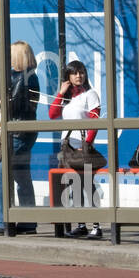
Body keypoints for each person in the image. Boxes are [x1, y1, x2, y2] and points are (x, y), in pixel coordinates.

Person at [50, 59, 104, 239]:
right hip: (67, 146)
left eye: (81, 72)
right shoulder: (67, 97)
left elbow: (94, 121)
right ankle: (81, 224)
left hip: (82, 146)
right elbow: (52, 115)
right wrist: (60, 93)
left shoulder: (90, 94)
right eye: (74, 73)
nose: (78, 76)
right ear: (68, 76)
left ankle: (96, 226)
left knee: (88, 185)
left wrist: (86, 144)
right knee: (75, 186)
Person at [0, 41, 39, 235]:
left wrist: (2, 101)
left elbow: (15, 104)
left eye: (11, 55)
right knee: (22, 176)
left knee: (0, 175)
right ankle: (28, 222)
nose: (8, 59)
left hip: (19, 132)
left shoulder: (23, 77)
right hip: (23, 132)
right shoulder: (29, 76)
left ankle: (4, 222)